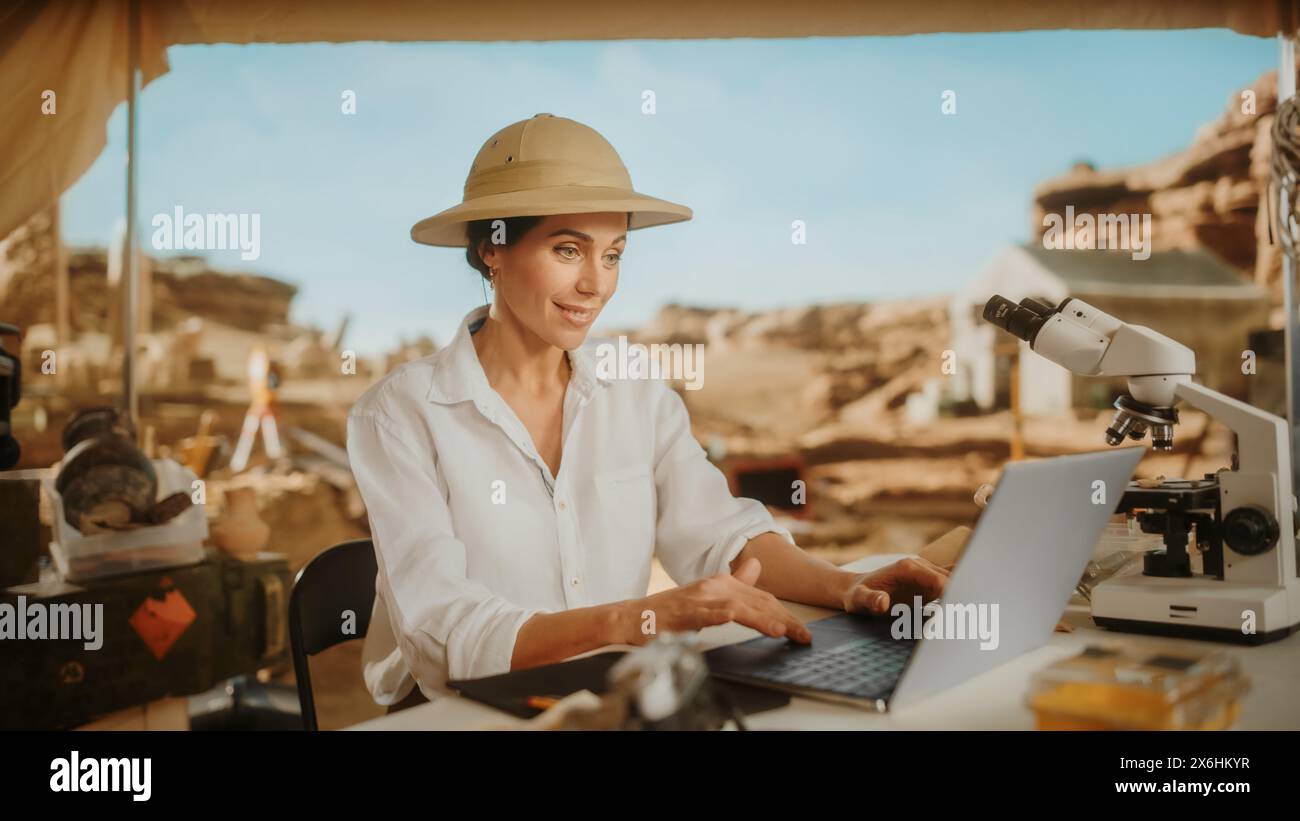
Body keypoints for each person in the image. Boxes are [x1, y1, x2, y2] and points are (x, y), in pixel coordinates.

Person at [346, 114, 947, 712]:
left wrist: (848, 586)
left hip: (612, 696)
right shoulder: (399, 415)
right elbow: (442, 635)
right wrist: (643, 618)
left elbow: (722, 535)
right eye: (567, 250)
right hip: (458, 713)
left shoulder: (634, 386)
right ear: (491, 249)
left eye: (612, 255)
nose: (596, 285)